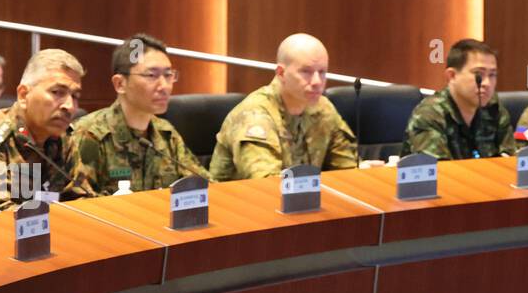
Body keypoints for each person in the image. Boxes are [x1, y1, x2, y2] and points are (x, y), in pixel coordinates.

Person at [0, 49, 95, 219]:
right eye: (57, 92)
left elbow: (82, 201)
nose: (70, 106)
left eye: (75, 95)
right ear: (23, 95)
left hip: (35, 235)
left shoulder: (62, 138)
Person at [73, 34, 210, 194]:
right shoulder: (90, 135)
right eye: (151, 75)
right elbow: (77, 205)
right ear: (120, 83)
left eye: (168, 75)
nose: (164, 86)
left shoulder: (166, 133)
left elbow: (205, 186)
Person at [209, 33, 357, 180]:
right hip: (241, 201)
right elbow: (266, 184)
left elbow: (347, 171)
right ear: (281, 73)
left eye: (322, 72)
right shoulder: (255, 116)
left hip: (299, 200)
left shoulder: (324, 108)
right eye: (306, 71)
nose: (317, 81)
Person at [402, 39, 515, 159]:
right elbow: (438, 171)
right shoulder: (430, 114)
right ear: (452, 76)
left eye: (492, 75)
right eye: (478, 74)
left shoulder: (493, 108)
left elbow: (510, 159)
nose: (487, 83)